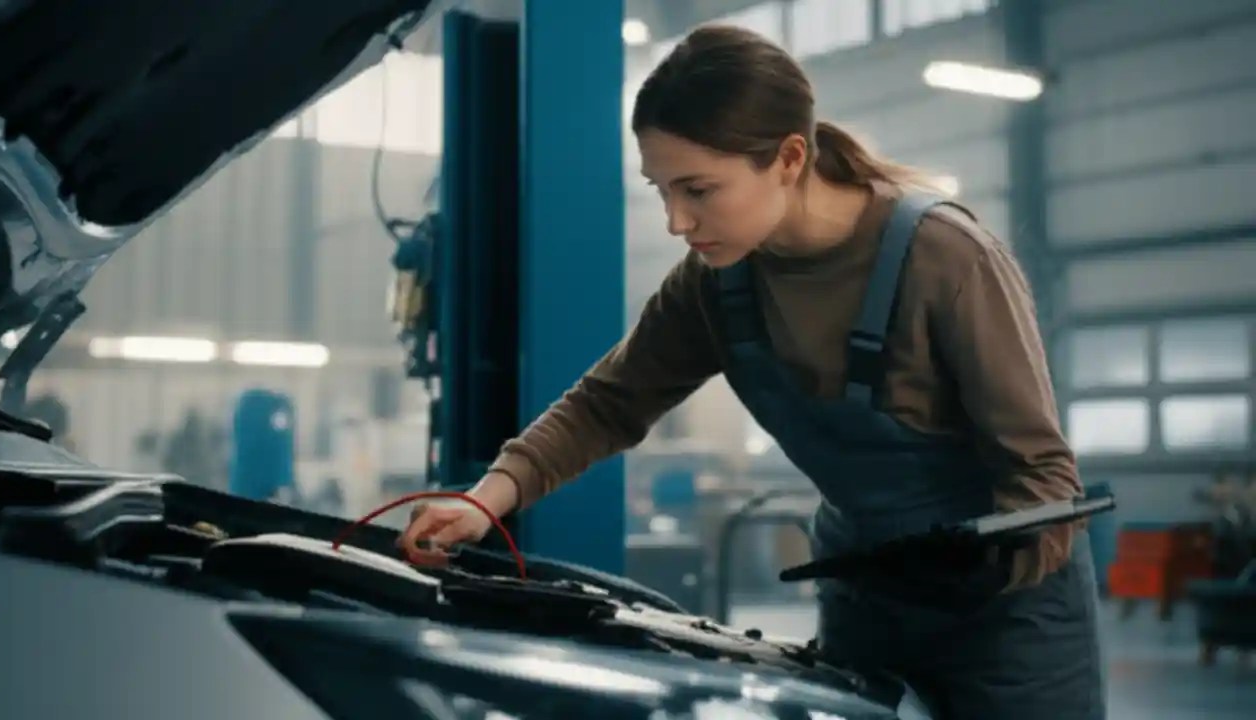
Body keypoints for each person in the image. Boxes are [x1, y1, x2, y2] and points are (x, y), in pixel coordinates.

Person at [398, 25, 1102, 719]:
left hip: (1008, 616)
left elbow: (1041, 475)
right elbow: (606, 405)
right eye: (661, 189)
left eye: (698, 190)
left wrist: (986, 570)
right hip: (868, 593)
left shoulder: (946, 260)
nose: (677, 220)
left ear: (790, 158)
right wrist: (487, 499)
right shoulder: (713, 284)